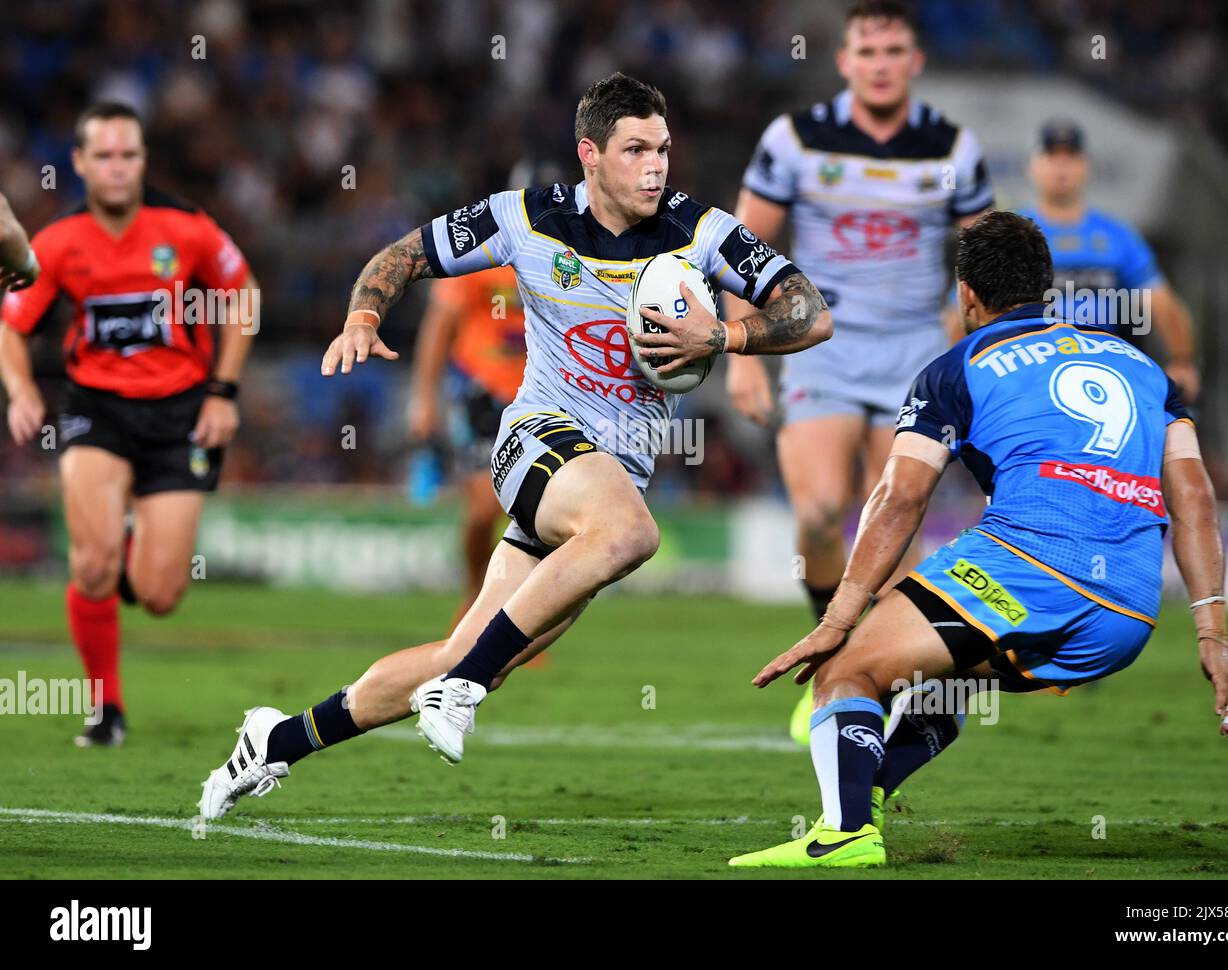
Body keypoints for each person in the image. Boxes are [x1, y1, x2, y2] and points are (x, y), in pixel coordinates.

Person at [198, 72, 833, 819]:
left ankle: (277, 742)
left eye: (662, 148)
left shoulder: (703, 232)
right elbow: (400, 256)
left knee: (467, 652)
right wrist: (364, 317)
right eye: (635, 150)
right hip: (536, 440)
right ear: (589, 154)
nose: (656, 166)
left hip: (609, 475)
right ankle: (459, 690)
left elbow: (810, 312)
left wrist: (720, 334)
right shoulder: (522, 218)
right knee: (631, 534)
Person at [729, 211, 1228, 869]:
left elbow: (901, 497)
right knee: (950, 681)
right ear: (1046, 289)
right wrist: (1213, 635)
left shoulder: (958, 369)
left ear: (966, 294)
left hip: (1029, 565)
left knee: (848, 669)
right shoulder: (1146, 370)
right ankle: (873, 800)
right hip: (1129, 612)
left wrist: (838, 618)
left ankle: (845, 833)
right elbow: (1194, 498)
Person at [726, 0, 994, 742]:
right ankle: (830, 651)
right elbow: (740, 242)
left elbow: (986, 254)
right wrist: (743, 353)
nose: (880, 63)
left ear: (916, 62)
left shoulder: (953, 148)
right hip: (824, 345)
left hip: (916, 354)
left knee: (899, 530)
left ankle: (874, 680)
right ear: (844, 61)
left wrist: (960, 332)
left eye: (894, 50)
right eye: (867, 51)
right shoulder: (797, 138)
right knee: (815, 512)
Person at [1, 102, 257, 746]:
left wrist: (223, 393)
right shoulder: (57, 243)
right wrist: (21, 389)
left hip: (179, 417)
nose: (118, 168)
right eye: (105, 156)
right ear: (80, 164)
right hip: (97, 413)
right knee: (90, 569)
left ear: (143, 161)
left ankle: (121, 540)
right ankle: (106, 709)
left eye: (130, 155)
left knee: (161, 595)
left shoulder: (188, 229)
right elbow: (11, 323)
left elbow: (243, 295)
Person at [1022, 118, 1200, 402]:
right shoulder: (1015, 233)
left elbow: (1161, 303)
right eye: (1052, 157)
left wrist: (1182, 361)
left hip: (1102, 377)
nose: (1062, 168)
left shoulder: (1117, 237)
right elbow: (965, 305)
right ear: (1033, 166)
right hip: (1027, 377)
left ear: (1086, 166)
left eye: (1071, 158)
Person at [407, 267, 527, 628]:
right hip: (483, 392)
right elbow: (439, 325)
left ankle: (518, 617)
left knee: (535, 516)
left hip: (542, 394)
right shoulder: (480, 250)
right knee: (485, 509)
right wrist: (424, 399)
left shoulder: (560, 246)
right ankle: (477, 596)